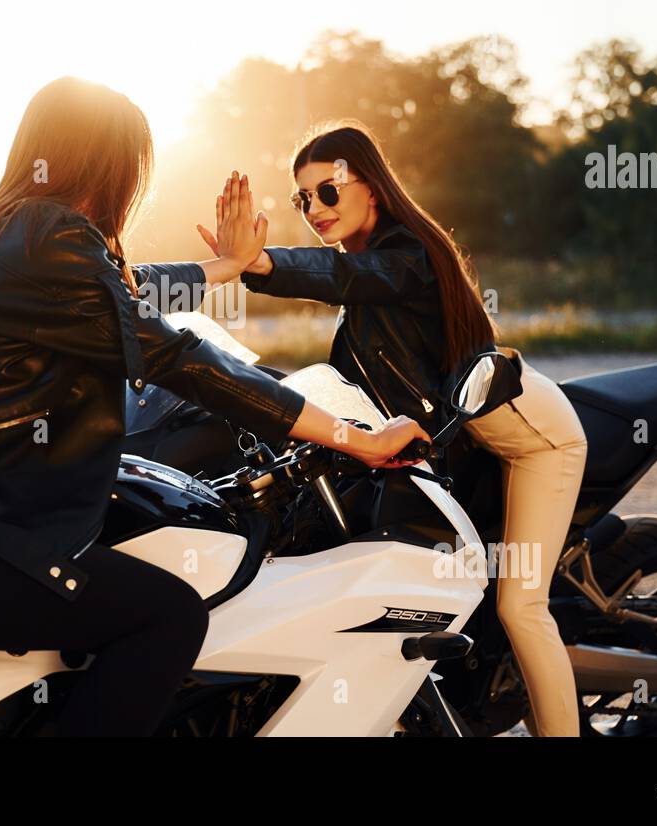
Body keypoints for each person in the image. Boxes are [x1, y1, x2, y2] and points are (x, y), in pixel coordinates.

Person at [0, 82, 430, 737]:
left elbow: (126, 294)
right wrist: (354, 438)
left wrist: (224, 267)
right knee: (165, 616)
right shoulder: (53, 235)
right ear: (112, 165)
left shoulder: (11, 232)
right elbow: (182, 360)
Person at [196, 122, 588, 737]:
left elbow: (343, 277)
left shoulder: (409, 257)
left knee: (519, 606)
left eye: (328, 190)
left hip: (536, 436)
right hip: (465, 429)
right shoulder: (369, 284)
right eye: (302, 199)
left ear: (371, 186)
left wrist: (258, 263)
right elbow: (339, 383)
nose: (314, 208)